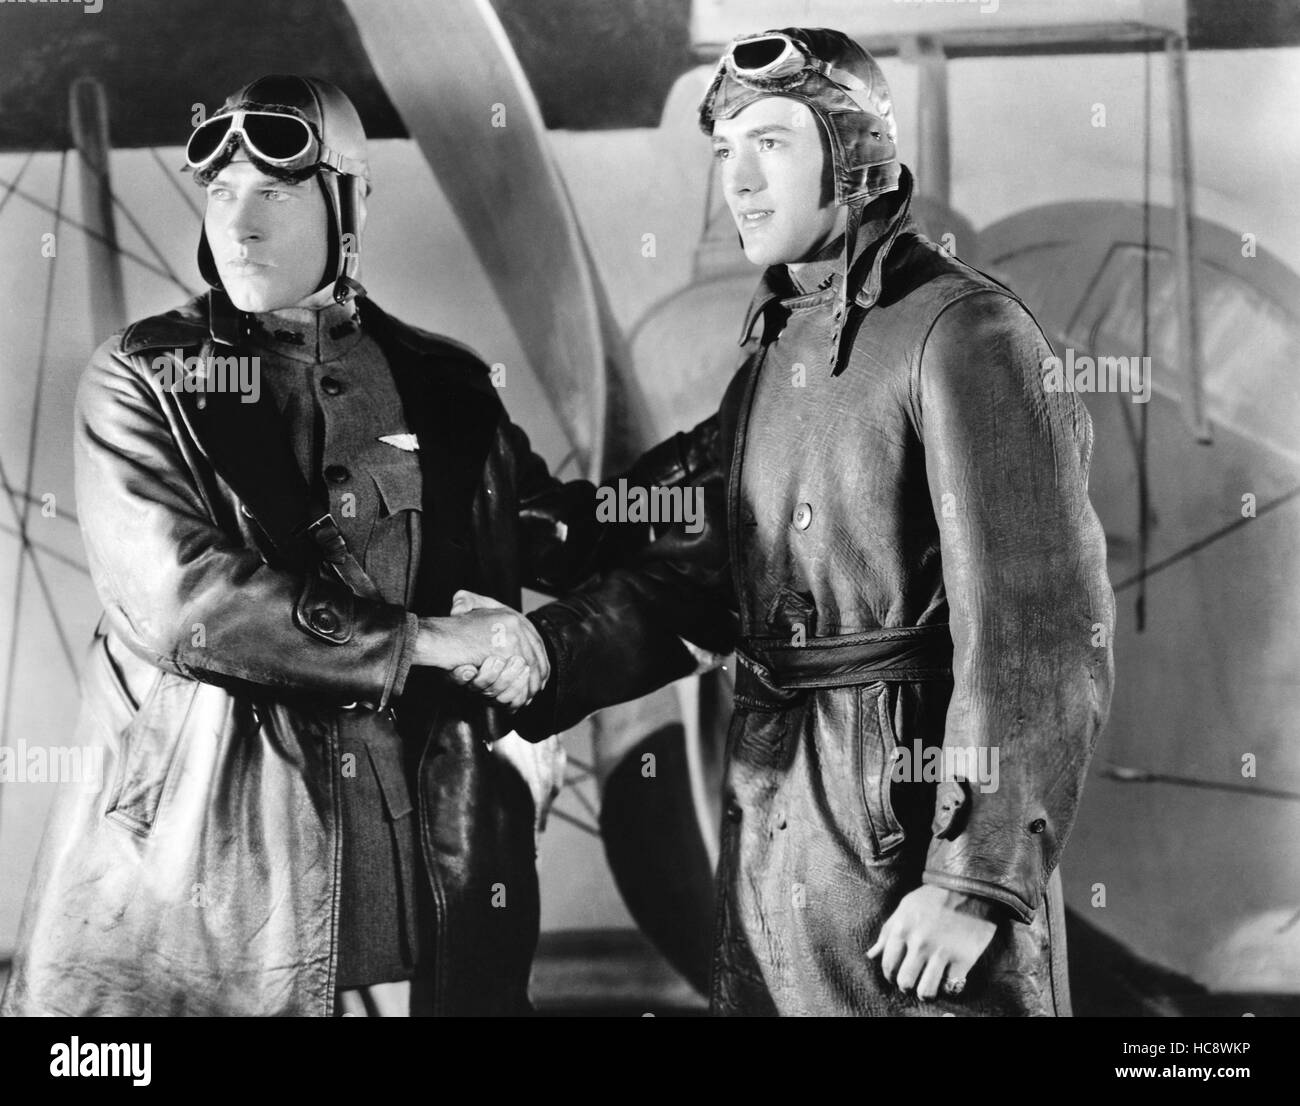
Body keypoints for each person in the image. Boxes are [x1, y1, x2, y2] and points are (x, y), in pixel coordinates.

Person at [0, 75, 709, 1017]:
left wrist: (729, 450)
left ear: (349, 202)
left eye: (278, 191)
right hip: (215, 851)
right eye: (222, 193)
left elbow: (554, 531)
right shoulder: (145, 376)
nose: (239, 224)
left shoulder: (445, 383)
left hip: (422, 833)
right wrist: (427, 643)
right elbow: (190, 603)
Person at [510, 27, 1116, 1016]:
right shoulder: (776, 352)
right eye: (724, 151)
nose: (737, 183)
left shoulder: (965, 333)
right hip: (772, 844)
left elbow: (1037, 632)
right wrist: (528, 653)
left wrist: (972, 878)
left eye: (772, 144)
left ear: (856, 155)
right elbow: (675, 567)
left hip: (910, 864)